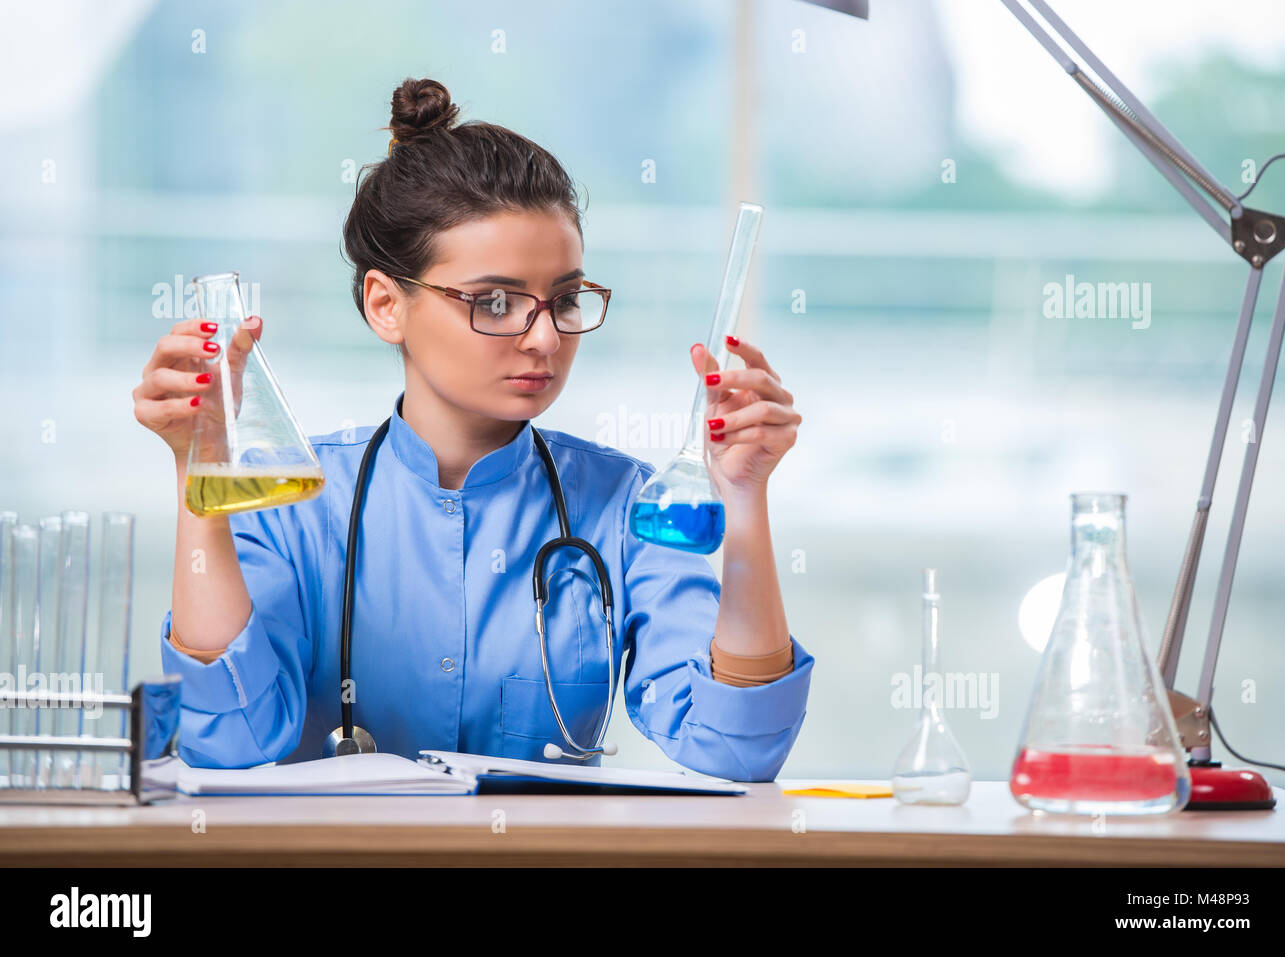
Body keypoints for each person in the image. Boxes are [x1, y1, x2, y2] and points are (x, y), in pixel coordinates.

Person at [131, 78, 813, 782]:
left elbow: (735, 746)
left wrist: (744, 497)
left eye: (566, 299)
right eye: (495, 299)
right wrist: (200, 469)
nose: (545, 337)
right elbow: (229, 738)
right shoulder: (295, 503)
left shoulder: (623, 505)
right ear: (385, 305)